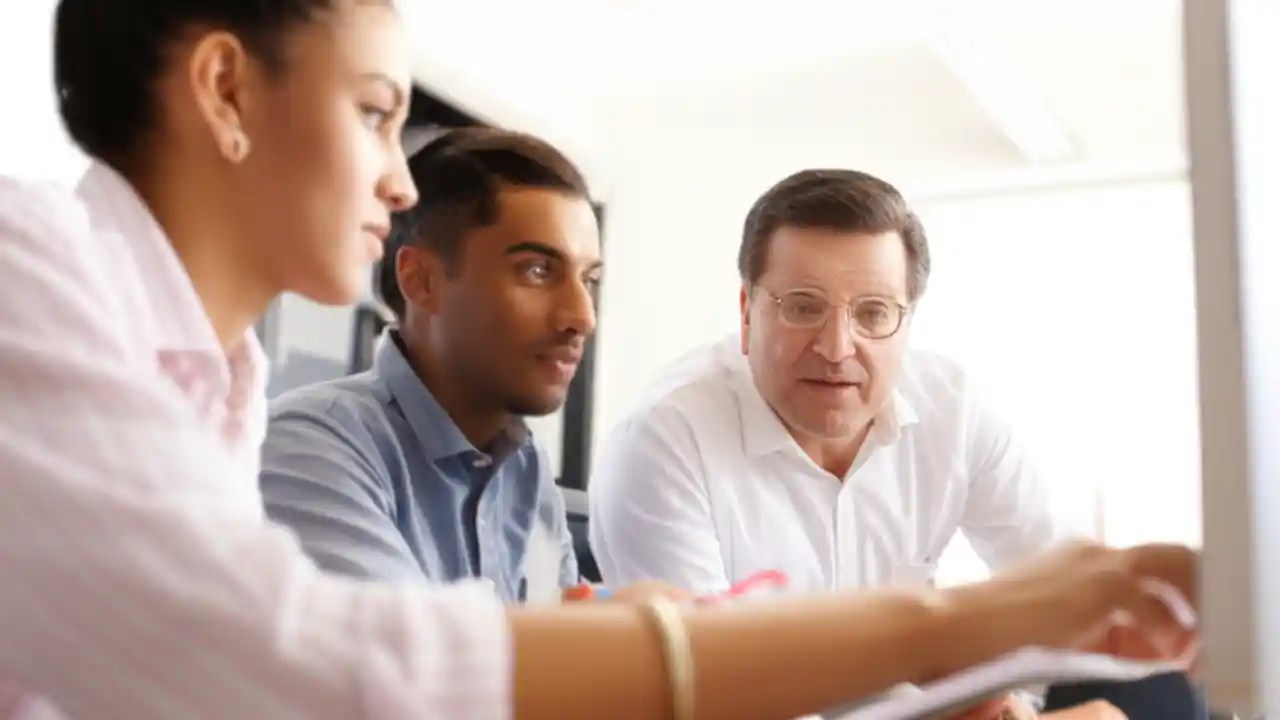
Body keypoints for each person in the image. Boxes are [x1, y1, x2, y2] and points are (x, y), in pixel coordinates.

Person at [0, 1, 1198, 718]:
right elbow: (316, 671)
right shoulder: (28, 272)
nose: (400, 177)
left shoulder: (212, 383)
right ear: (223, 90)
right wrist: (967, 621)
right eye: (373, 112)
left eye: (874, 317)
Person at [591, 169, 1072, 597]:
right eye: (803, 306)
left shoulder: (955, 412)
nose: (837, 347)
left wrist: (1016, 699)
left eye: (873, 312)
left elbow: (1061, 588)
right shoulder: (664, 438)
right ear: (746, 314)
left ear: (907, 324)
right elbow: (702, 678)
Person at [258, 128, 596, 602]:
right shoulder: (311, 447)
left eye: (589, 279)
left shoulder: (525, 468)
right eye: (537, 271)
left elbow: (564, 655)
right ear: (420, 281)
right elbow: (406, 669)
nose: (582, 316)